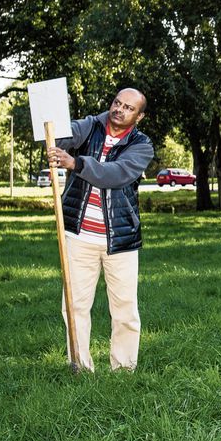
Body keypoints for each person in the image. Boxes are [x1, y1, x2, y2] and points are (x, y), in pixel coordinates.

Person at [46, 88, 153, 371]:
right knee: (74, 306)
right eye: (117, 102)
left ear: (139, 116)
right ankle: (79, 366)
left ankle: (124, 369)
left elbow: (115, 175)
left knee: (125, 311)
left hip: (120, 240)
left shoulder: (142, 145)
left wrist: (75, 162)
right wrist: (53, 126)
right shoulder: (91, 125)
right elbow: (65, 134)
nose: (119, 109)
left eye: (129, 108)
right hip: (79, 236)